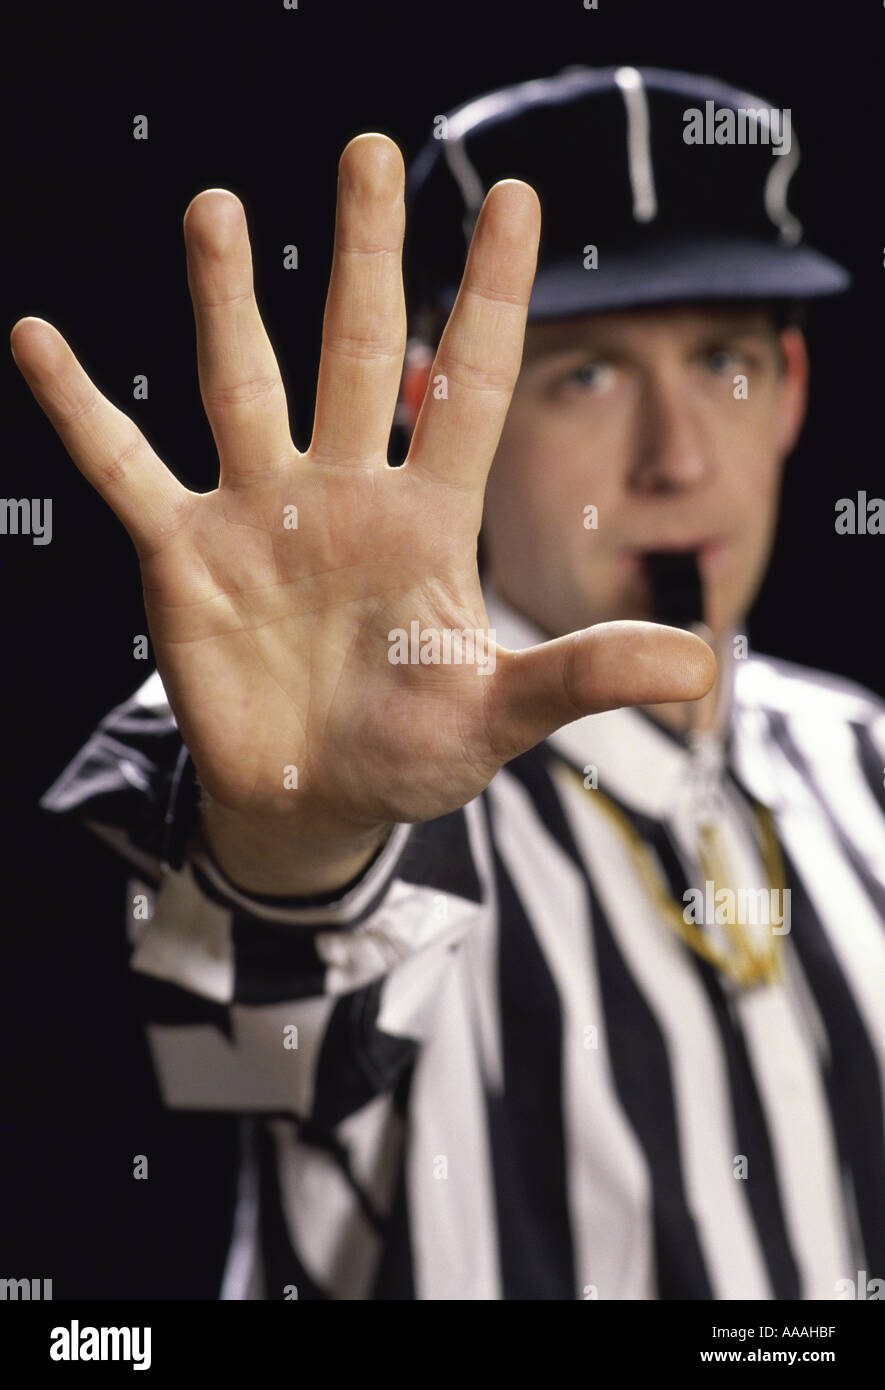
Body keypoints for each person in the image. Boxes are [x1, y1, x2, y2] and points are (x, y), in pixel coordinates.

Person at [11, 65, 885, 1301]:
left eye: (723, 361)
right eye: (585, 373)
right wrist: (302, 827)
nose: (678, 458)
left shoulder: (864, 752)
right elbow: (265, 1048)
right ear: (433, 402)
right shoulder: (370, 739)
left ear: (791, 387)